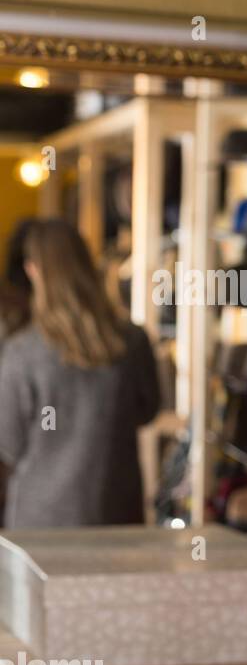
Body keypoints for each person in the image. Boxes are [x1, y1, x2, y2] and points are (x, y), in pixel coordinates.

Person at [0, 218, 160, 527]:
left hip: (41, 517)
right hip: (116, 511)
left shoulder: (23, 351)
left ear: (34, 271)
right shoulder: (133, 341)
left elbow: (8, 441)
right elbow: (147, 410)